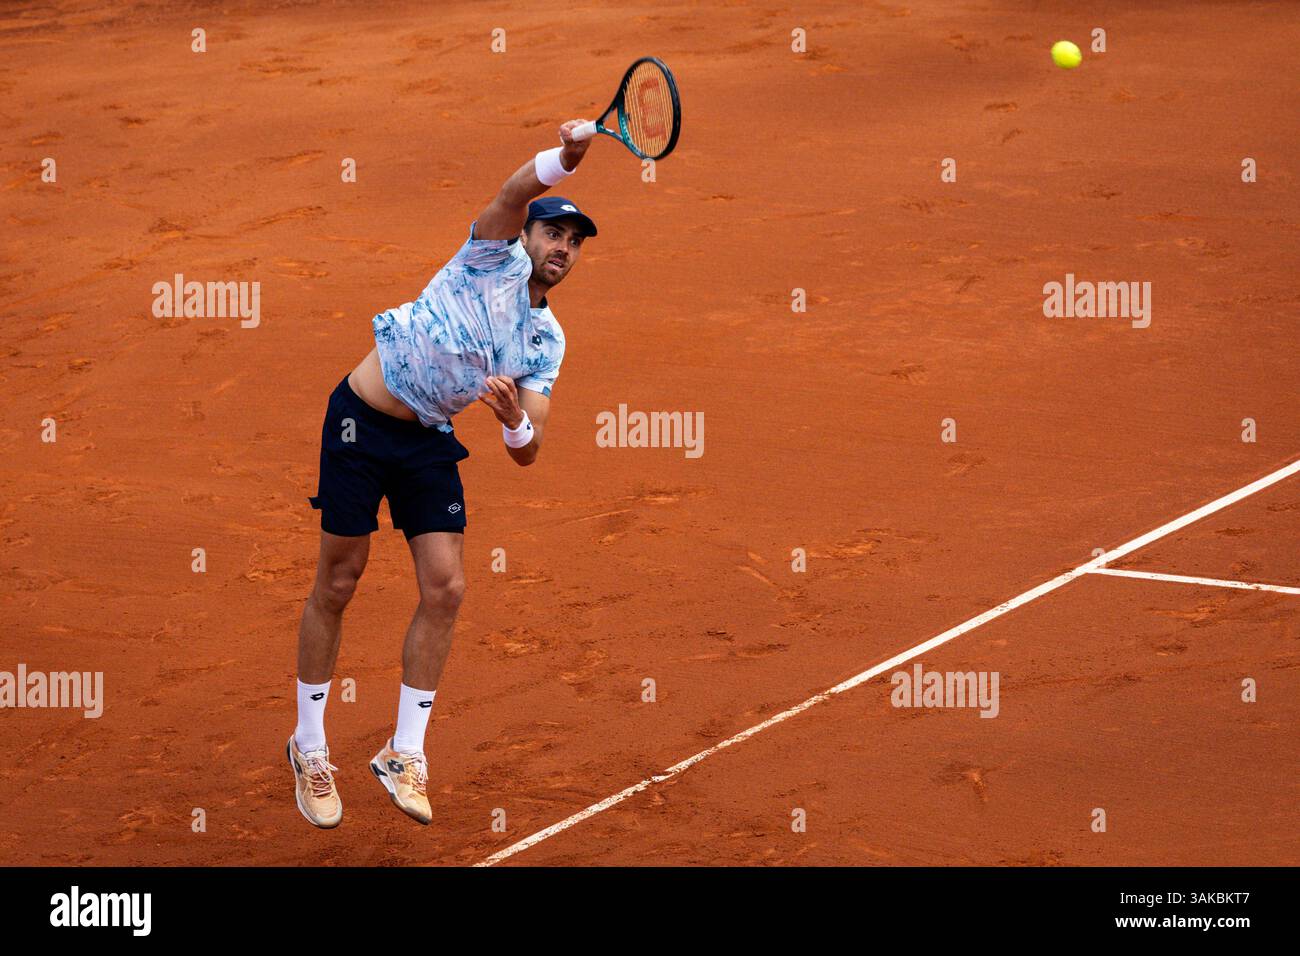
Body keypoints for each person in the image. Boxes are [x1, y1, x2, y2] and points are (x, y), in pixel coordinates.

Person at [287, 120, 598, 827]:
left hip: (427, 438)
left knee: (448, 586)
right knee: (339, 580)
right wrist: (564, 159)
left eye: (574, 243)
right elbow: (514, 191)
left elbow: (531, 448)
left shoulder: (546, 341)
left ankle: (404, 753)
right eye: (554, 233)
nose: (562, 248)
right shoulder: (488, 253)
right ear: (526, 236)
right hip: (361, 421)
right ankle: (308, 744)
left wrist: (512, 420)